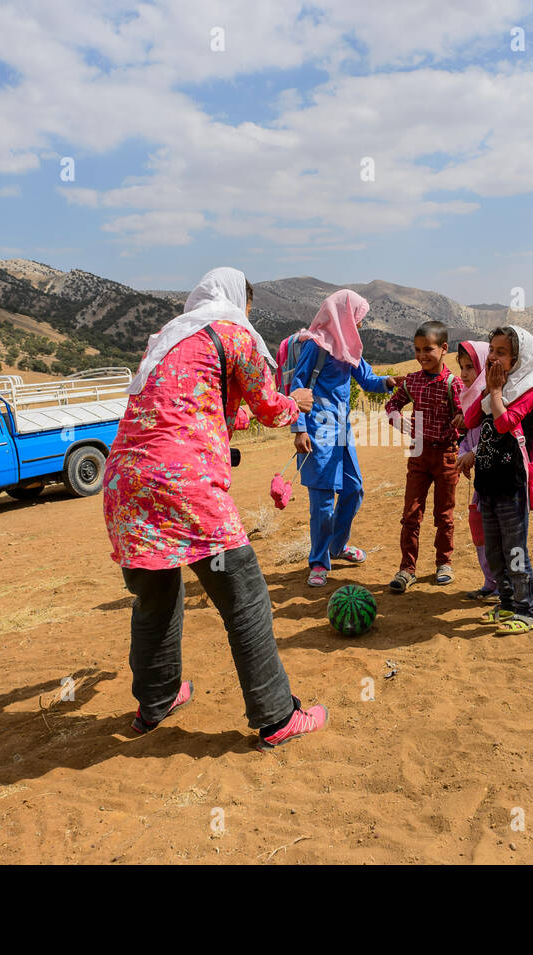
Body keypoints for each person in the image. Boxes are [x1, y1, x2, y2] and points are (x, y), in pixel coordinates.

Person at [102, 267, 328, 747]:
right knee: (244, 597)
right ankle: (277, 717)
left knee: (155, 599)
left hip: (125, 484)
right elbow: (269, 408)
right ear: (238, 302)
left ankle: (156, 701)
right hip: (184, 483)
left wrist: (245, 413)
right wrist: (296, 402)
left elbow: (193, 406)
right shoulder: (233, 332)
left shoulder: (168, 338)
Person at [289, 289, 397, 588]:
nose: (359, 325)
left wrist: (389, 383)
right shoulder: (316, 346)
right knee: (322, 502)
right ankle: (319, 561)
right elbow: (297, 388)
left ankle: (337, 546)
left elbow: (368, 379)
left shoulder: (349, 347)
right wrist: (299, 430)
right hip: (317, 432)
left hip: (342, 433)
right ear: (344, 317)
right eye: (357, 318)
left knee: (354, 489)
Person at [462, 324, 533, 634]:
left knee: (515, 551)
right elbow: (470, 419)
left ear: (518, 359)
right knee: (496, 551)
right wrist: (487, 389)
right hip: (488, 485)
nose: (494, 357)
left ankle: (528, 612)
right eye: (492, 351)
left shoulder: (526, 392)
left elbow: (504, 423)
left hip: (511, 485)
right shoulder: (494, 389)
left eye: (502, 353)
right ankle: (508, 604)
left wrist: (496, 392)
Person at [384, 321, 464, 592]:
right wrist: (396, 418)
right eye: (417, 350)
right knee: (411, 514)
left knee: (444, 514)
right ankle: (407, 568)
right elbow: (392, 404)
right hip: (418, 454)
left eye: (427, 349)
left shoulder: (454, 384)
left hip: (446, 456)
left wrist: (461, 423)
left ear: (443, 349)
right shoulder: (412, 381)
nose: (421, 355)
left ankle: (444, 563)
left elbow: (465, 418)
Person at [452, 340, 498, 601]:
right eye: (462, 367)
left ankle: (502, 586)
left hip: (497, 478)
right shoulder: (469, 399)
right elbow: (467, 437)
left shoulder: (489, 398)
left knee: (494, 530)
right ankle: (490, 582)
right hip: (482, 478)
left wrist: (474, 454)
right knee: (478, 525)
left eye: (471, 367)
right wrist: (463, 456)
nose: (465, 373)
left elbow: (495, 435)